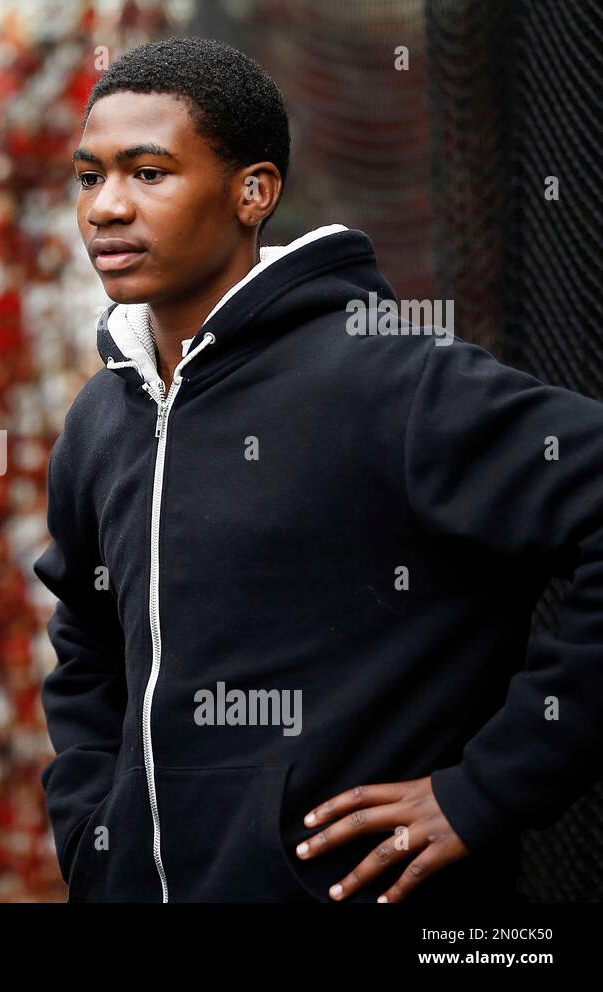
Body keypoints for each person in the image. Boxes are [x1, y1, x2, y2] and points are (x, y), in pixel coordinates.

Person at [35, 36, 603, 903]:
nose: (106, 207)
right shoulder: (100, 419)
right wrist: (91, 829)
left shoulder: (387, 379)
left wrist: (488, 787)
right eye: (89, 176)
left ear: (252, 193)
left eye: (148, 173)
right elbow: (87, 637)